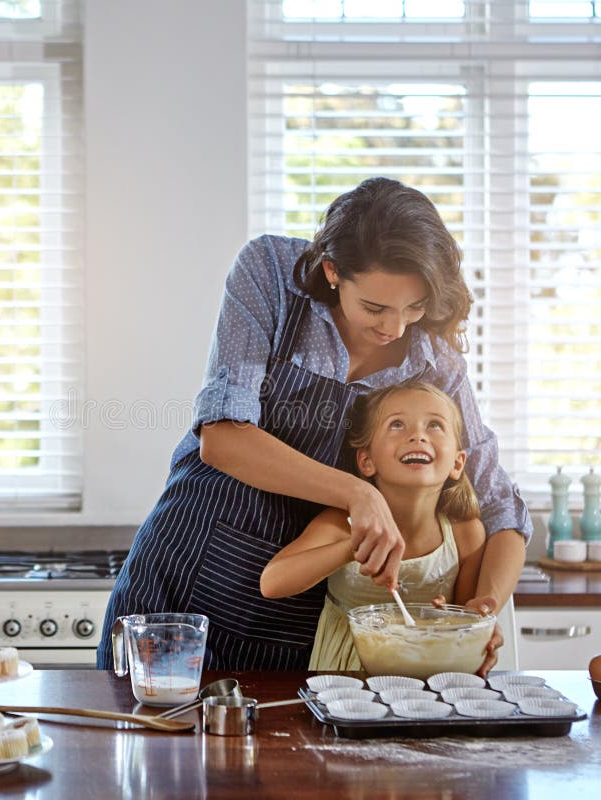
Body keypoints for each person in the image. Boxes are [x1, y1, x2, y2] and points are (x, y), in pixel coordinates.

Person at [97, 177, 531, 672]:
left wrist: (482, 610)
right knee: (141, 739)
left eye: (414, 307)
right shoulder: (269, 275)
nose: (395, 328)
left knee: (278, 747)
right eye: (374, 307)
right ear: (331, 270)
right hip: (186, 568)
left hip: (297, 612)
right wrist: (358, 493)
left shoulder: (434, 357)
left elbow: (502, 509)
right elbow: (221, 436)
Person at [261, 380, 501, 675]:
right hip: (345, 680)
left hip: (431, 681)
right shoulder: (341, 523)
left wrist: (471, 630)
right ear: (366, 460)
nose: (417, 436)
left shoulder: (466, 533)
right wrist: (353, 547)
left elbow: (465, 620)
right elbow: (272, 582)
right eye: (397, 424)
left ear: (458, 462)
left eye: (435, 426)